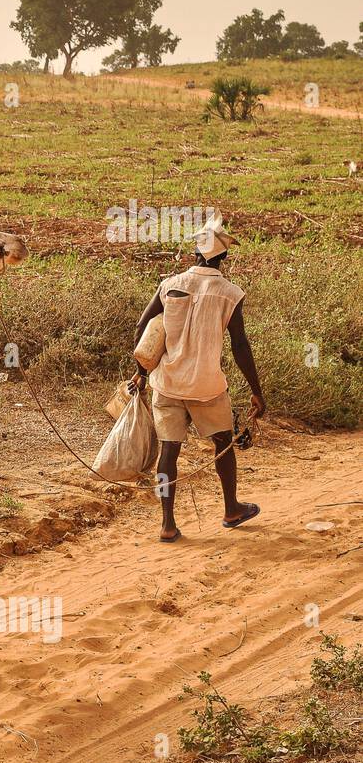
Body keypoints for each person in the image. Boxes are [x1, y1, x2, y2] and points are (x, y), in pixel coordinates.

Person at [131, 212, 265, 543]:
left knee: (169, 451)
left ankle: (167, 524)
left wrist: (141, 374)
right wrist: (257, 391)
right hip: (207, 385)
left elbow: (141, 329)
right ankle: (232, 509)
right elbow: (239, 345)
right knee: (223, 443)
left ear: (196, 253)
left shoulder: (170, 284)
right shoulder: (230, 293)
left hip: (168, 382)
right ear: (224, 257)